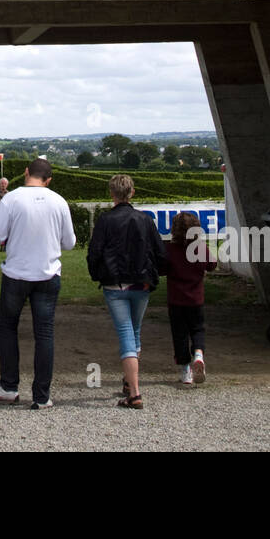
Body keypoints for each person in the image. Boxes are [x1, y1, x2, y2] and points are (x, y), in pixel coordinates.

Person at [0, 158, 75, 409]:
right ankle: (42, 395)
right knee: (44, 334)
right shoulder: (59, 201)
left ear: (26, 173)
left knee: (8, 329)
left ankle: (9, 386)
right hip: (48, 274)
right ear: (49, 180)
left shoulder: (11, 199)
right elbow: (69, 243)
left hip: (16, 274)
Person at [86, 174, 168, 409]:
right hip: (141, 283)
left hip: (115, 284)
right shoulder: (144, 219)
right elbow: (160, 253)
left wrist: (97, 274)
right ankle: (128, 382)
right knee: (135, 331)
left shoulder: (105, 220)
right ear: (132, 193)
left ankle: (134, 392)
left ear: (111, 194)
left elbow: (95, 253)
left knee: (126, 335)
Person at [167, 211, 217, 386]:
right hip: (196, 300)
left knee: (179, 334)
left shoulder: (170, 249)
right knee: (198, 329)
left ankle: (185, 370)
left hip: (175, 301)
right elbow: (212, 265)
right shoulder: (200, 248)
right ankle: (198, 354)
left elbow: (162, 268)